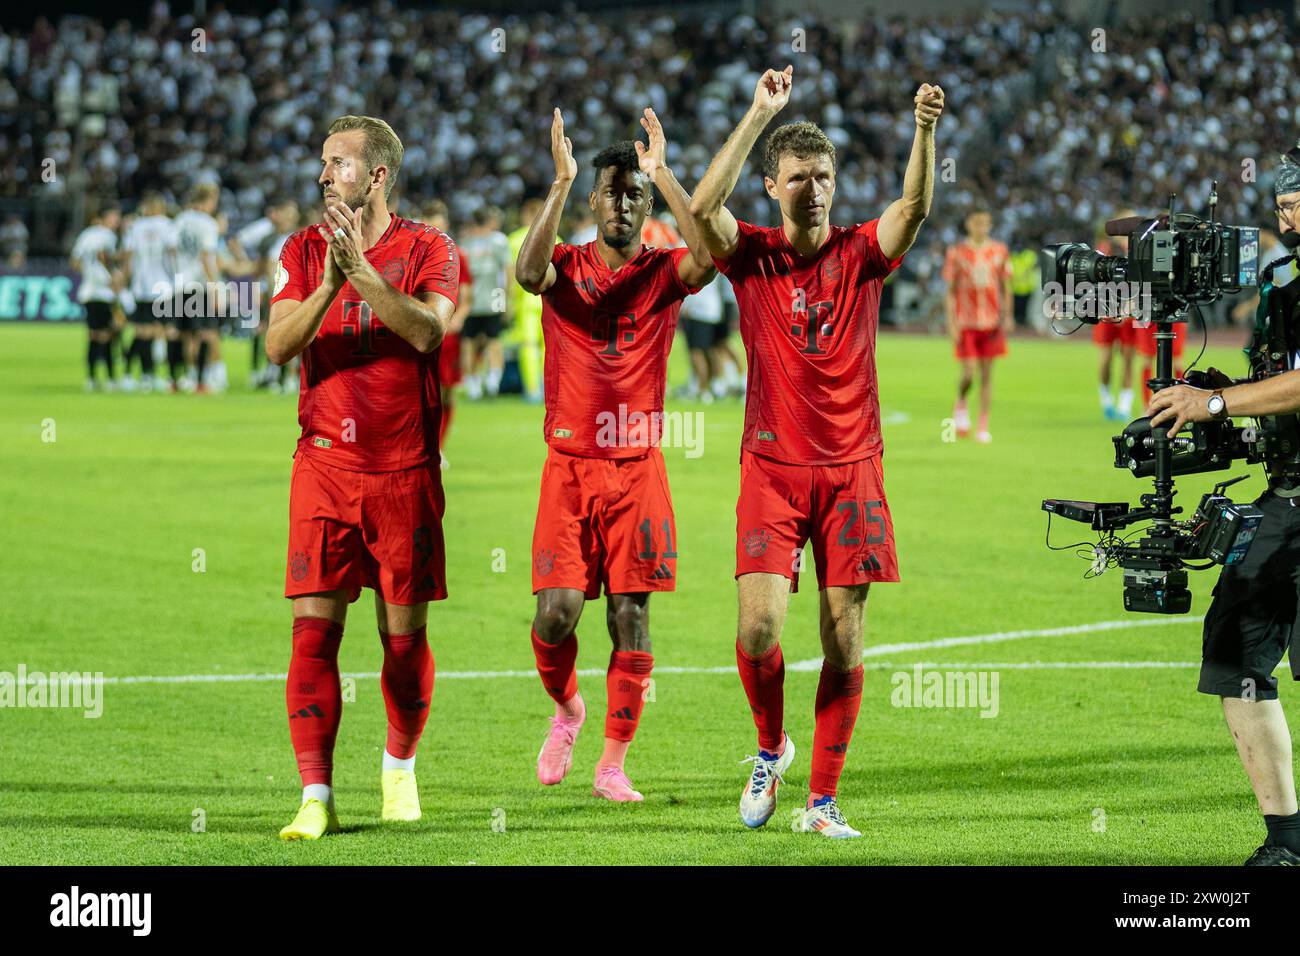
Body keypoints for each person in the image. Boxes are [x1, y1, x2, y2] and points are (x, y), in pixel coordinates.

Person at [688, 65, 942, 837]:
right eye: (798, 176)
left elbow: (916, 205)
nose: (815, 187)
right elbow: (702, 208)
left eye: (824, 175)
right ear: (772, 185)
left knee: (844, 634)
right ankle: (771, 748)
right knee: (759, 630)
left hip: (853, 467)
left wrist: (924, 128)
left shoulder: (862, 252)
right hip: (772, 466)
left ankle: (823, 801)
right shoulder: (753, 254)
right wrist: (760, 112)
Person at [264, 115, 460, 840]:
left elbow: (427, 331)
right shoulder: (301, 248)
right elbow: (279, 344)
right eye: (322, 162)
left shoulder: (431, 248)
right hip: (322, 466)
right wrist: (326, 286)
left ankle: (399, 769)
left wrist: (363, 274)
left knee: (402, 643)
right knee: (312, 637)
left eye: (338, 163)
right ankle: (315, 794)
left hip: (404, 471)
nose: (323, 175)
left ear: (377, 176)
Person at [515, 107, 714, 802]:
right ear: (594, 200)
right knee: (555, 615)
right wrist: (561, 180)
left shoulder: (664, 270)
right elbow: (525, 271)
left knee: (630, 617)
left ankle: (611, 764)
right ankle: (568, 709)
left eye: (636, 194)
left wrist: (664, 172)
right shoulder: (564, 267)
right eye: (613, 191)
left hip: (637, 471)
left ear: (645, 202)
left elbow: (710, 257)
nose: (623, 204)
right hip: (568, 467)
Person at [1145, 147, 1300, 866]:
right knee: (1236, 650)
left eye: (1299, 201)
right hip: (1288, 493)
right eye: (1280, 204)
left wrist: (1215, 401)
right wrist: (1219, 395)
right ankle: (1286, 841)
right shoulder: (1280, 285)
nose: (1288, 214)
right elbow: (1278, 381)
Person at [944, 207, 1012, 442]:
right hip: (967, 322)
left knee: (987, 376)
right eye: (976, 222)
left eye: (985, 223)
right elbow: (951, 291)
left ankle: (983, 425)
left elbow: (1005, 287)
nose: (980, 227)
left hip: (991, 322)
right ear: (968, 224)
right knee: (969, 373)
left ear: (990, 225)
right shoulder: (957, 253)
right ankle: (961, 402)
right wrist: (952, 322)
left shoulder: (999, 251)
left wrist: (1008, 315)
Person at [421, 199, 475, 458]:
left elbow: (466, 297)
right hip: (419, 332)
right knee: (419, 392)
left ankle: (438, 447)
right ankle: (422, 444)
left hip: (448, 336)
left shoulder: (457, 255)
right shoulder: (413, 254)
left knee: (445, 392)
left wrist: (458, 319)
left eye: (439, 229)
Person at [120, 192, 175, 392]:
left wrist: (125, 282)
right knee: (155, 331)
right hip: (162, 285)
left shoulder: (135, 226)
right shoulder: (168, 225)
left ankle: (135, 374)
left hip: (141, 286)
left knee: (142, 331)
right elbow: (173, 254)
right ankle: (149, 374)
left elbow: (127, 257)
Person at [173, 183, 224, 393]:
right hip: (199, 285)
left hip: (180, 283)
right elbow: (206, 256)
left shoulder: (180, 220)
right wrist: (215, 284)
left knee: (187, 335)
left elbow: (172, 251)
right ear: (209, 199)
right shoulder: (207, 223)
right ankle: (201, 381)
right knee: (204, 332)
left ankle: (190, 375)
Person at [459, 206, 512, 398]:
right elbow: (507, 270)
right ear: (489, 221)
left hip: (470, 301)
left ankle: (473, 386)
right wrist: (509, 297)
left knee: (468, 343)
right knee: (494, 340)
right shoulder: (499, 241)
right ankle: (492, 381)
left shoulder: (465, 245)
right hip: (495, 298)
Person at [70, 204, 122, 391]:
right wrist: (112, 276)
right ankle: (110, 379)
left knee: (93, 335)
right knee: (107, 335)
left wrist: (89, 273)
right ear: (105, 217)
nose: (117, 221)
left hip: (88, 291)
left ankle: (91, 379)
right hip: (103, 292)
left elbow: (74, 262)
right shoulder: (107, 236)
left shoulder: (86, 235)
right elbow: (103, 257)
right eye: (114, 216)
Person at [508, 196, 547, 402]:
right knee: (547, 347)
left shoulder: (514, 239)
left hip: (525, 301)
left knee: (528, 346)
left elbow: (506, 275)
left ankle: (532, 390)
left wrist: (507, 302)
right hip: (547, 301)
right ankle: (545, 386)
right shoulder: (554, 237)